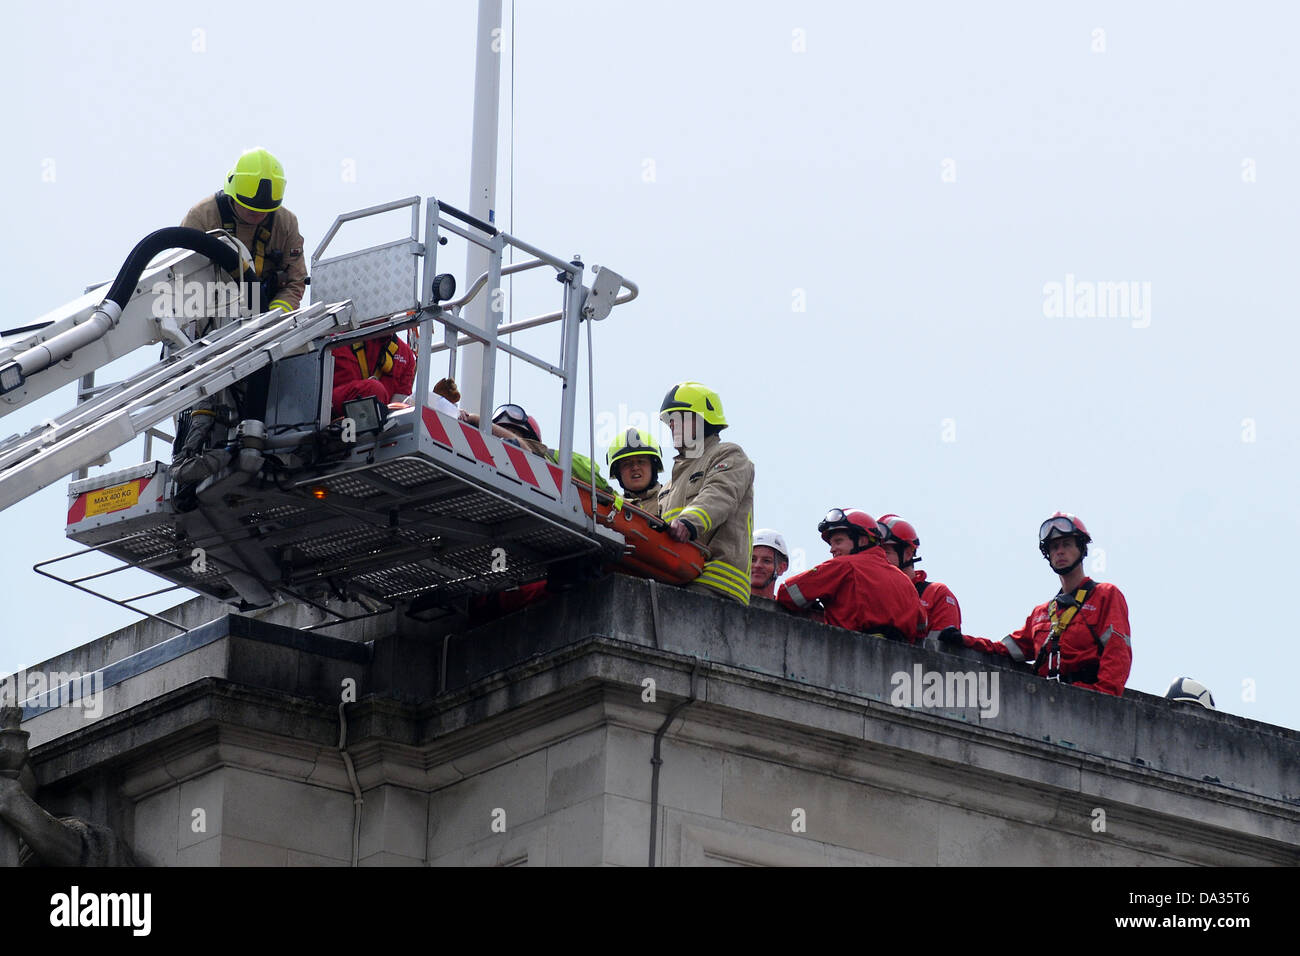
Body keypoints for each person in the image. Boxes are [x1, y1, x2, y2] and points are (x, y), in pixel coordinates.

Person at [941, 512, 1131, 696]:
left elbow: (1117, 651)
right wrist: (964, 641)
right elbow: (1006, 650)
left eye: (1066, 544)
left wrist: (1102, 698)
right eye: (1054, 547)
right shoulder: (1042, 613)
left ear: (1081, 548)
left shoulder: (1105, 595)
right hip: (1046, 698)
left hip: (1086, 701)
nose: (1060, 551)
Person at [658, 382, 755, 605]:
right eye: (670, 420)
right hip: (678, 577)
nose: (673, 425)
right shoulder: (668, 487)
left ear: (703, 419)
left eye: (680, 417)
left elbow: (719, 494)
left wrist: (688, 522)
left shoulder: (728, 454)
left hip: (716, 583)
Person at [181, 147, 307, 314]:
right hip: (209, 315)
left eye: (264, 211)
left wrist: (275, 317)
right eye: (251, 208)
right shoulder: (202, 217)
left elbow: (295, 281)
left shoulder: (285, 223)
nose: (258, 215)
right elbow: (180, 278)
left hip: (266, 318)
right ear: (233, 195)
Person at [777, 509, 926, 638]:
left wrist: (812, 602)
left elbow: (787, 593)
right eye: (831, 544)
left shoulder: (843, 566)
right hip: (898, 664)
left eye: (838, 541)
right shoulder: (905, 581)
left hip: (848, 656)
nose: (832, 549)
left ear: (861, 540)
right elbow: (921, 625)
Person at [877, 514, 962, 642]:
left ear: (907, 554)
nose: (879, 558)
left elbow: (937, 652)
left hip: (917, 662)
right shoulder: (873, 591)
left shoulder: (936, 594)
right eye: (877, 552)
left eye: (886, 552)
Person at [330, 332, 416, 417]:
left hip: (382, 422)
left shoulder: (405, 354)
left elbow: (400, 406)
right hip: (334, 417)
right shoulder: (335, 341)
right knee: (373, 389)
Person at [606, 427, 666, 515]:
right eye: (626, 463)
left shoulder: (671, 499)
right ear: (618, 473)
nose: (635, 467)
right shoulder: (611, 507)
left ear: (653, 466)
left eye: (641, 461)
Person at [750, 528, 790, 601]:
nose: (757, 565)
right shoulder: (727, 602)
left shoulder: (786, 611)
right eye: (752, 560)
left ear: (781, 568)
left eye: (766, 561)